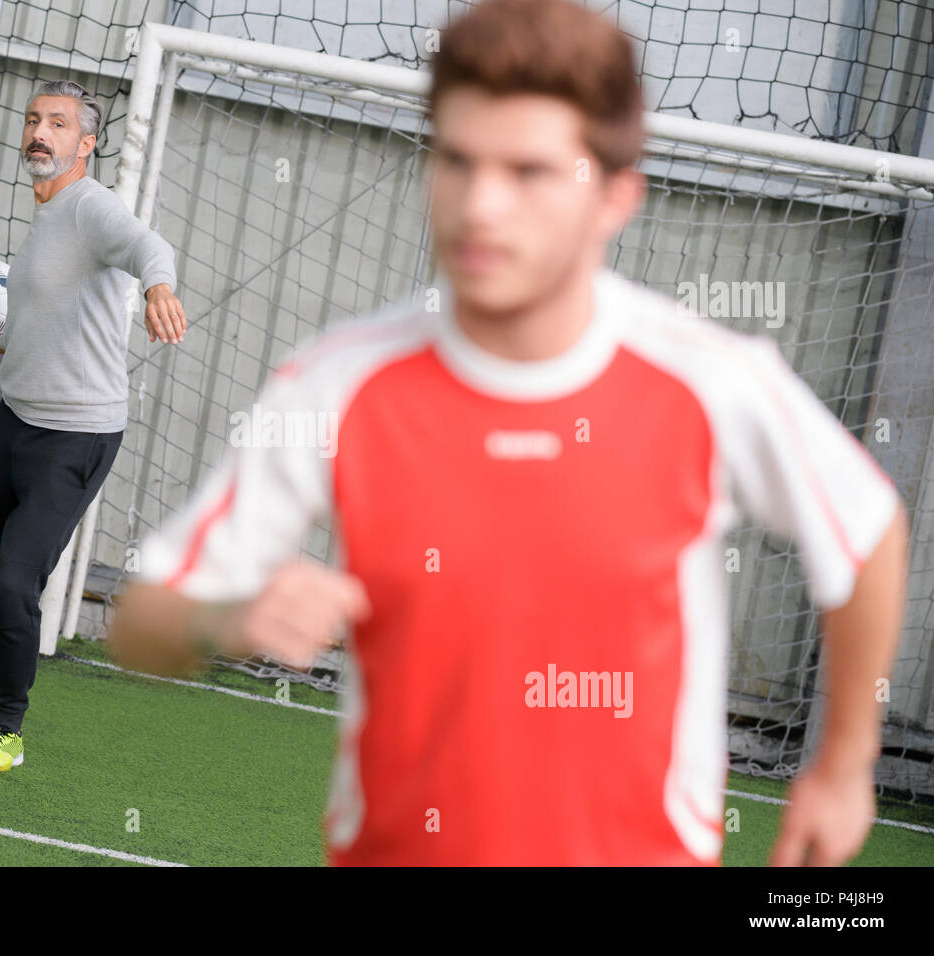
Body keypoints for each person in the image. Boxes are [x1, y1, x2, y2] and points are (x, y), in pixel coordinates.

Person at [106, 0, 909, 864]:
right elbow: (141, 622)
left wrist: (845, 762)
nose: (479, 206)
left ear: (614, 195)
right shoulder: (340, 383)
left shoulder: (710, 382)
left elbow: (865, 531)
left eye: (527, 171)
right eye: (457, 159)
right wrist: (227, 619)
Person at [0, 80, 188, 772]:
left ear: (86, 143)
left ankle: (8, 726)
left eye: (59, 124)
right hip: (16, 421)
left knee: (13, 580)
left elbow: (145, 244)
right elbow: (57, 320)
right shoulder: (45, 217)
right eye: (35, 120)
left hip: (76, 436)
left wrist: (159, 285)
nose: (41, 132)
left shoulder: (90, 208)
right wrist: (7, 339)